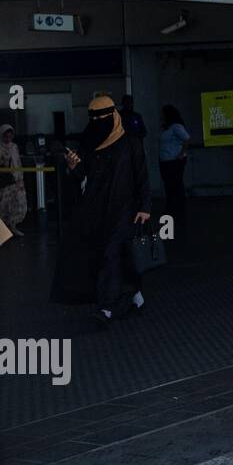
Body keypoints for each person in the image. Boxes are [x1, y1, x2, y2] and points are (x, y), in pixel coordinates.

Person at [49, 95, 151, 326]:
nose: (98, 122)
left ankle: (106, 307)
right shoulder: (89, 143)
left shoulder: (131, 142)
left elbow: (142, 176)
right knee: (116, 255)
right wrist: (74, 168)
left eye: (102, 117)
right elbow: (82, 177)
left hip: (125, 210)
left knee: (110, 253)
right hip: (96, 210)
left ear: (113, 115)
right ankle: (135, 295)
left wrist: (145, 207)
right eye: (93, 118)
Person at [0, 124, 28, 236]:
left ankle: (12, 227)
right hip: (6, 184)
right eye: (6, 136)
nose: (8, 139)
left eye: (10, 136)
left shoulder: (14, 147)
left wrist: (20, 178)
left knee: (18, 205)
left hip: (17, 182)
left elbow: (18, 163)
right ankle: (1, 232)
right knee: (3, 207)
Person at [158, 105, 191, 226]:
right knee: (170, 184)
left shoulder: (176, 127)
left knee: (175, 184)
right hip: (166, 161)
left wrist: (181, 155)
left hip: (173, 161)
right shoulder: (167, 128)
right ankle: (173, 207)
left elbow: (186, 139)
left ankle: (177, 208)